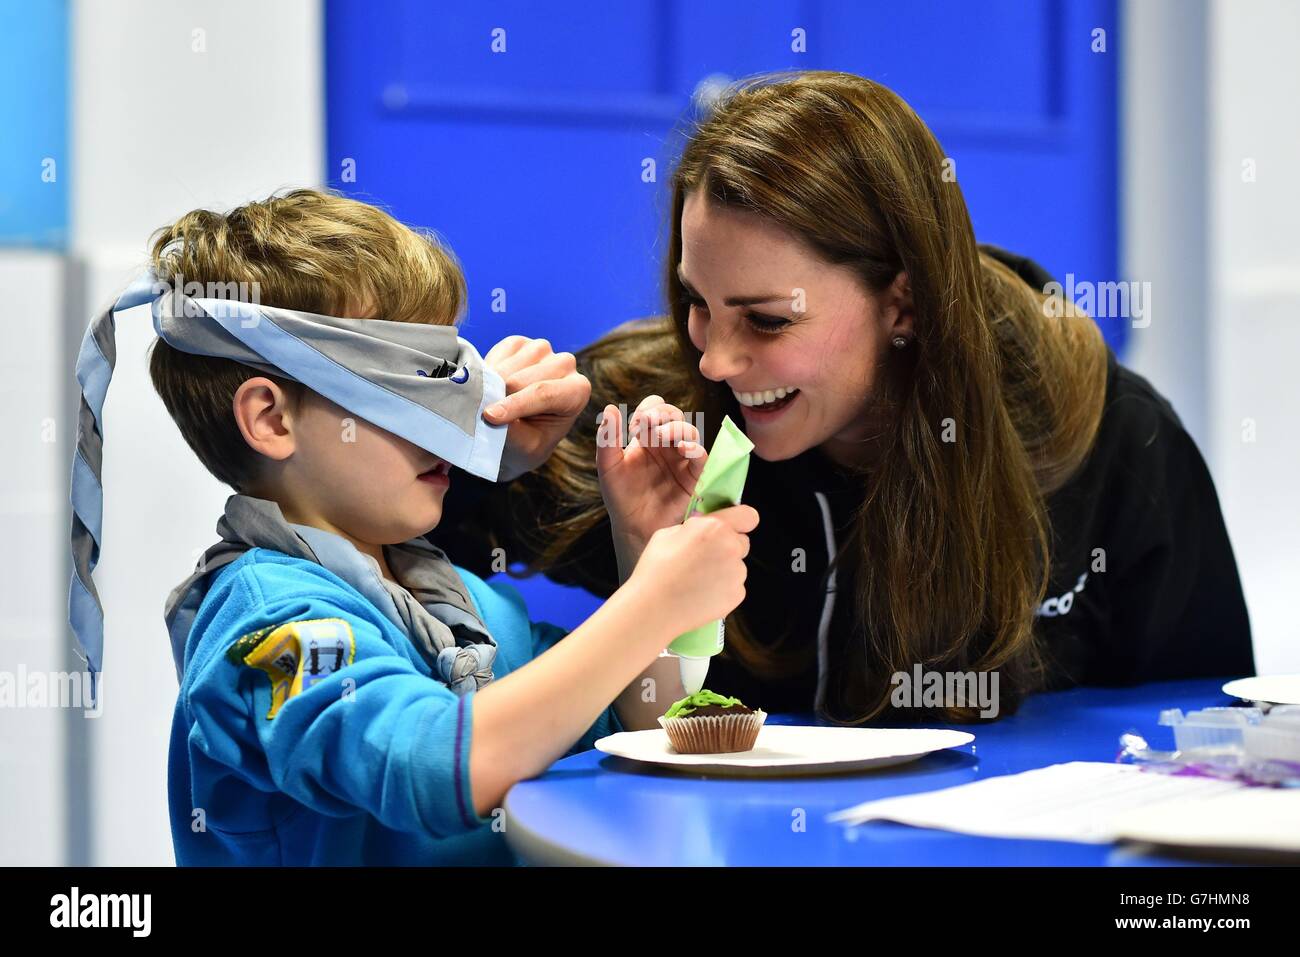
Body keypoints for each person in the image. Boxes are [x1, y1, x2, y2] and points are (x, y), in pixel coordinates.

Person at [432, 71, 1255, 725]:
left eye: (767, 320)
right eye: (697, 302)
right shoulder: (655, 420)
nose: (716, 359)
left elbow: (1208, 731)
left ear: (904, 304)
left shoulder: (1112, 441)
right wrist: (483, 449)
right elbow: (386, 520)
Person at [104, 189, 755, 864]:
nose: (449, 419)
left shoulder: (466, 605)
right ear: (271, 418)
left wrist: (643, 550)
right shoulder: (272, 624)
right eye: (409, 386)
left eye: (454, 382)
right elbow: (432, 768)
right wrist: (651, 604)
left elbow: (638, 721)